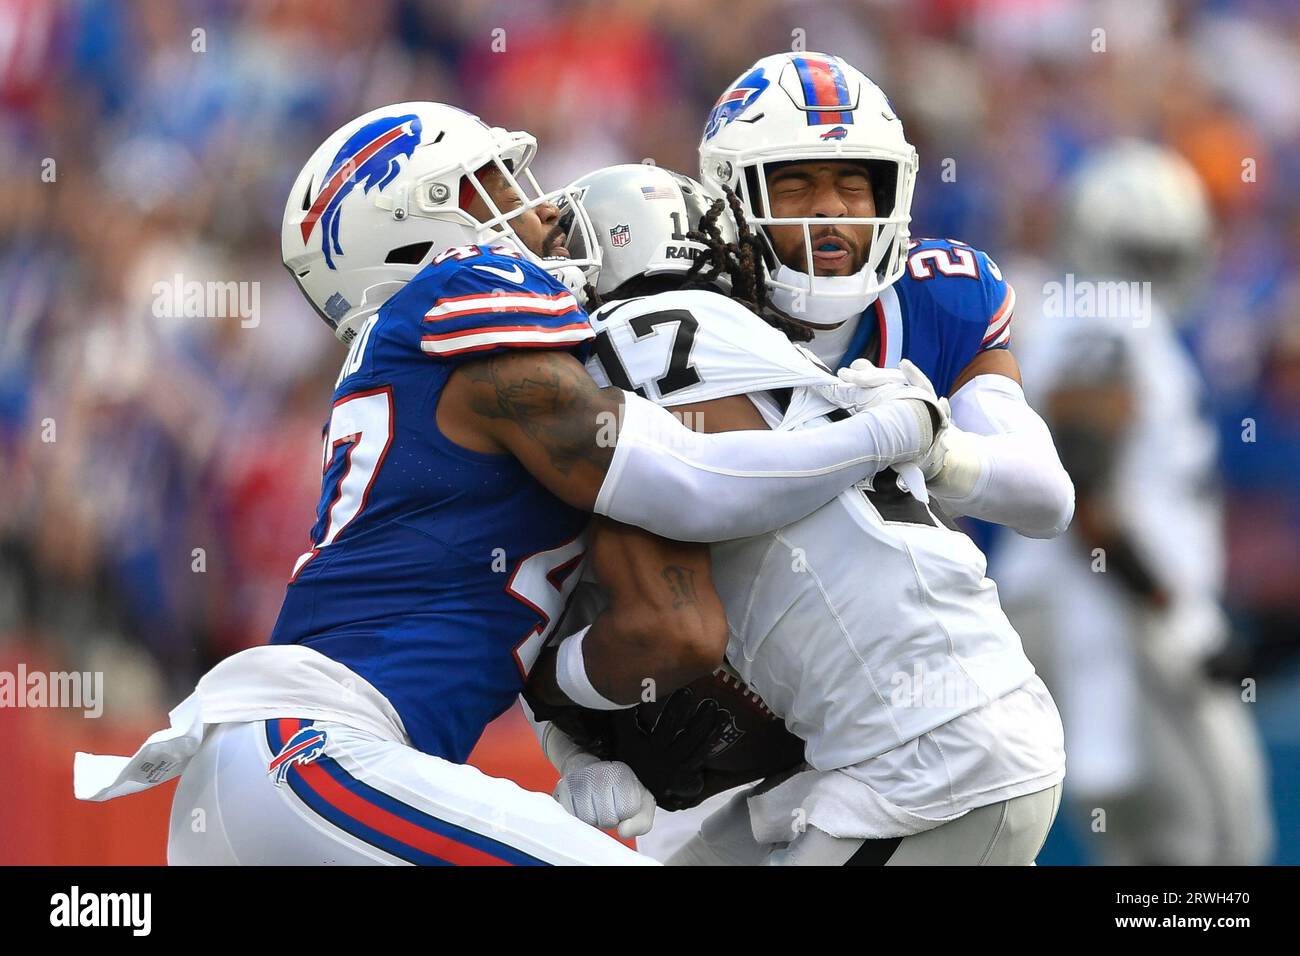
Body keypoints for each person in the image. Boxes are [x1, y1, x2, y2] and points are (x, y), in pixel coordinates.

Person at [73, 102, 943, 866]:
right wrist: (883, 430)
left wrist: (575, 752)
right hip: (317, 754)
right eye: (493, 184)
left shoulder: (428, 371)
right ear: (422, 228)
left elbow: (508, 605)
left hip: (276, 776)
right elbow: (678, 479)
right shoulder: (463, 288)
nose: (540, 209)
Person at [529, 164, 1065, 865]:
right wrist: (571, 747)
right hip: (923, 737)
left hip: (931, 764)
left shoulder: (618, 353)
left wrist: (553, 700)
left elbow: (668, 594)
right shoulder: (748, 344)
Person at [992, 141, 1273, 865]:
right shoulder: (1103, 324)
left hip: (1112, 610)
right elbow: (1090, 495)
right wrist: (1167, 605)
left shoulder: (1088, 320)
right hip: (1112, 617)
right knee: (1185, 845)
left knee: (1205, 841)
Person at [698, 52, 1073, 540]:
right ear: (732, 199)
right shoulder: (693, 310)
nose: (831, 208)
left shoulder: (939, 298)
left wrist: (935, 449)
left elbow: (1048, 499)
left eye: (853, 184)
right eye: (794, 185)